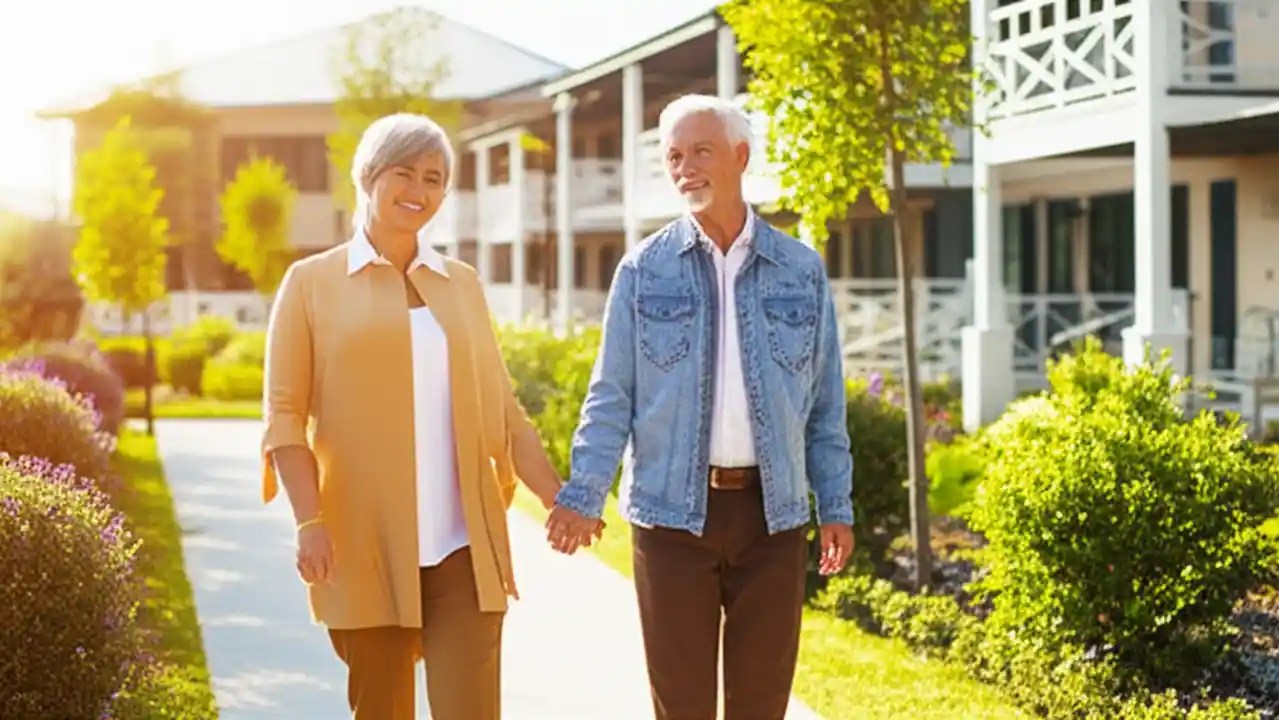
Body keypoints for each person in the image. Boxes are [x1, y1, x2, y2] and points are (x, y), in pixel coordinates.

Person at [261, 112, 589, 720]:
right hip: (364, 544)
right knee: (382, 710)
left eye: (434, 179)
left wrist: (556, 497)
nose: (419, 191)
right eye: (404, 173)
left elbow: (505, 411)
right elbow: (284, 416)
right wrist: (309, 521)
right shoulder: (310, 283)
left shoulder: (460, 284)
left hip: (463, 548)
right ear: (369, 175)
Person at [546, 94, 856, 720]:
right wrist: (583, 494)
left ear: (741, 156)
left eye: (701, 152)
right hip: (669, 522)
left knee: (761, 705)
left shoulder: (800, 270)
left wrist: (837, 506)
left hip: (772, 518)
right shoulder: (642, 270)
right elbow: (612, 393)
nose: (685, 168)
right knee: (681, 707)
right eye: (674, 157)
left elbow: (824, 405)